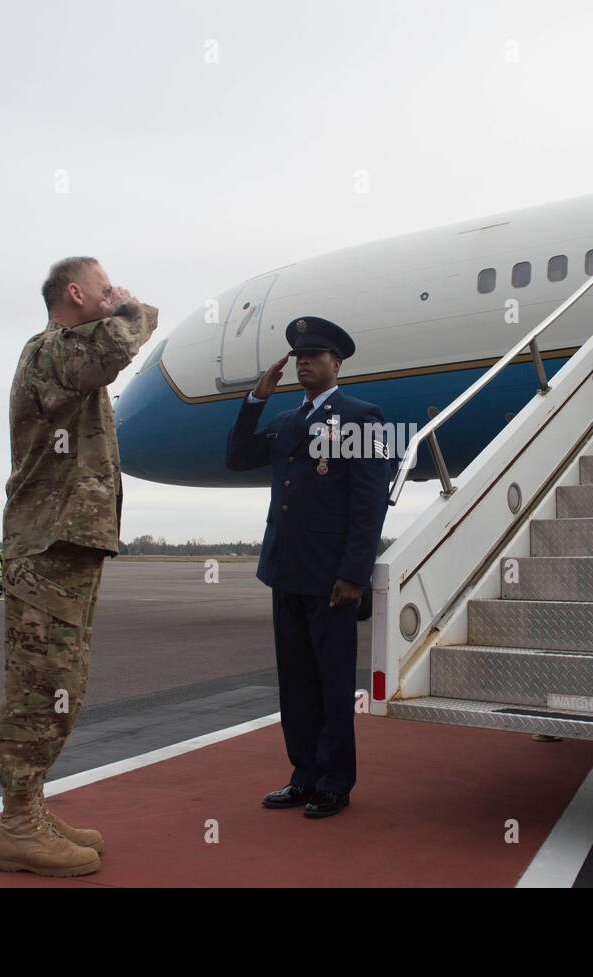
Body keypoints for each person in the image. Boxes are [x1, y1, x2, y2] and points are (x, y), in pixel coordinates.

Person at [0, 257, 157, 876]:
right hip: (48, 544)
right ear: (75, 292)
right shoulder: (51, 352)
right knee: (42, 685)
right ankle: (17, 825)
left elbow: (118, 348)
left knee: (64, 681)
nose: (115, 294)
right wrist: (129, 309)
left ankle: (30, 804)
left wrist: (125, 313)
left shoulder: (72, 359)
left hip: (70, 540)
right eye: (105, 285)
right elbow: (118, 344)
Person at [226, 317, 389, 818]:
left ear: (335, 364)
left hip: (331, 578)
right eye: (298, 356)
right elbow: (236, 457)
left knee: (332, 682)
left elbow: (370, 500)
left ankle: (335, 782)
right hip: (286, 570)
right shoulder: (284, 422)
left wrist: (354, 573)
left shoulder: (365, 417)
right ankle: (303, 776)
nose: (304, 363)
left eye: (314, 356)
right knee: (295, 683)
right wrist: (255, 399)